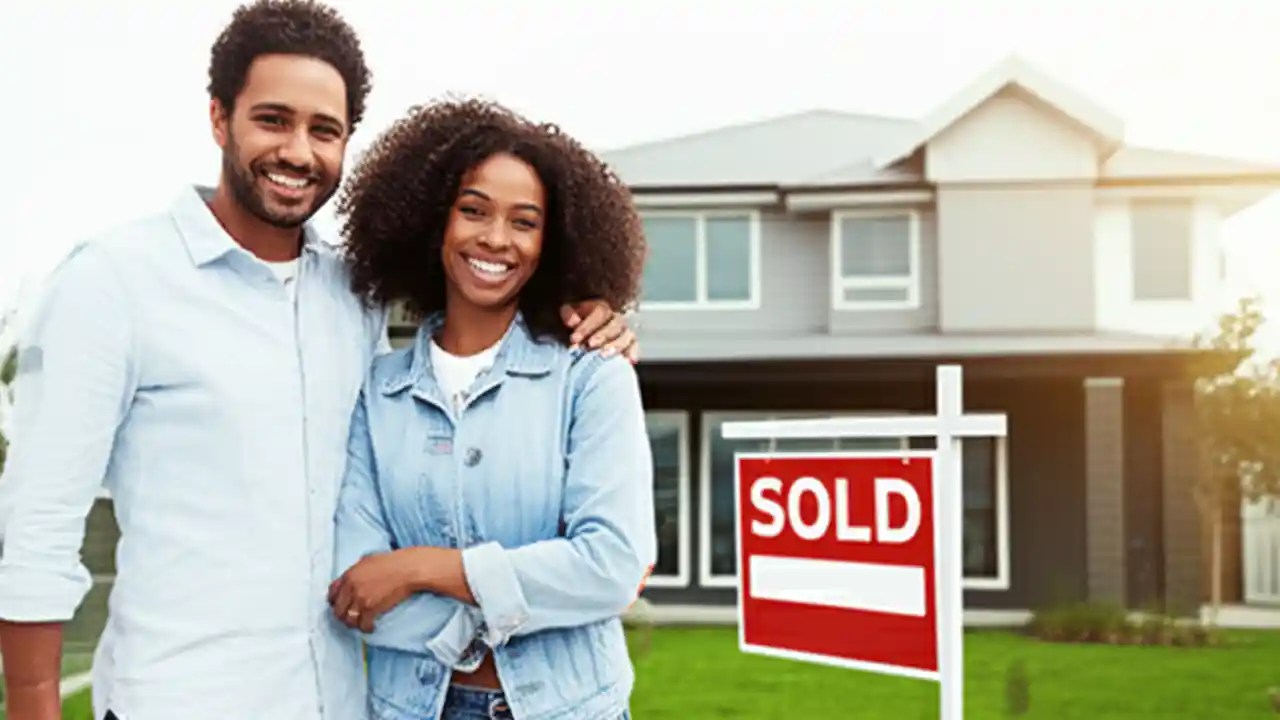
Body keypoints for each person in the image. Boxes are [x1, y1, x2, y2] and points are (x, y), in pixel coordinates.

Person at [0, 2, 636, 719]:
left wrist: (585, 315)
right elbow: (38, 527)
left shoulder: (352, 294)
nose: (299, 152)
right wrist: (32, 706)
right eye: (273, 119)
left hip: (338, 703)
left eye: (324, 131)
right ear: (219, 117)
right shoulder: (112, 281)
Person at [325, 98, 655, 720]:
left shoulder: (592, 376)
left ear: (550, 240)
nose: (496, 239)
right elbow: (359, 586)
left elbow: (611, 565)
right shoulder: (377, 392)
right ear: (432, 222)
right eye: (473, 211)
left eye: (524, 222)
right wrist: (515, 608)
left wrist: (425, 568)